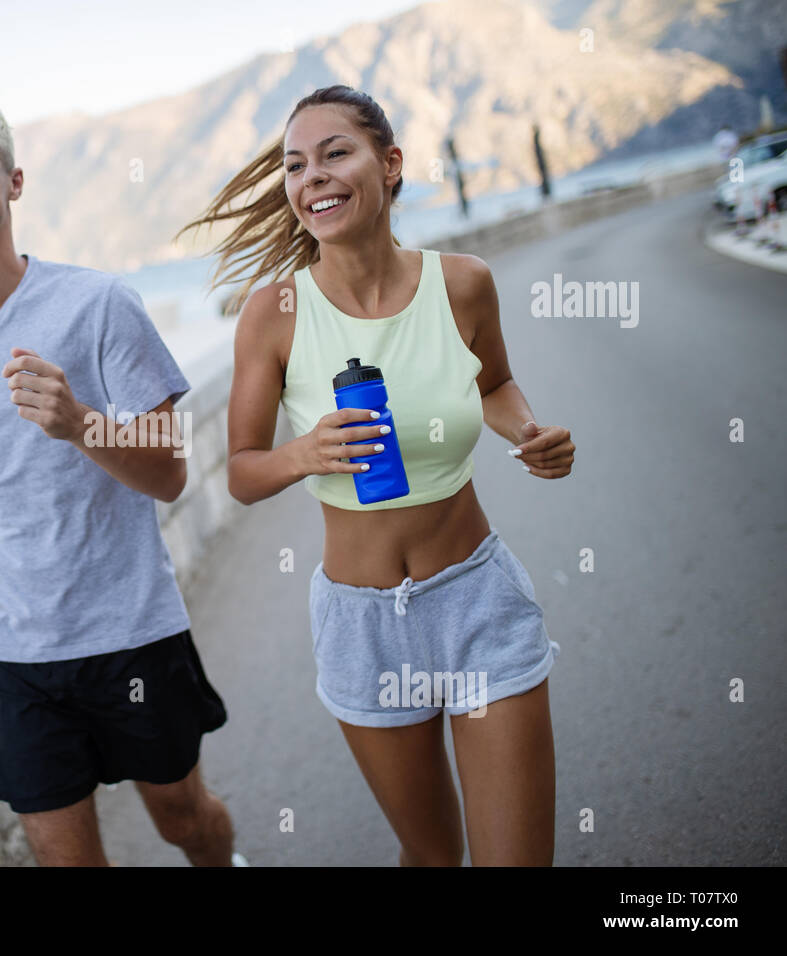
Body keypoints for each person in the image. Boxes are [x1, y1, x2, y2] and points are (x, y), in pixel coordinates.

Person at [176, 85, 574, 865]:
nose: (311, 177)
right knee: (431, 858)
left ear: (389, 166)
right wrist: (306, 453)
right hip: (363, 629)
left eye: (334, 154)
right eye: (295, 165)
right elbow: (245, 474)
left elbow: (492, 384)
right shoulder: (276, 312)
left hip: (476, 601)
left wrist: (527, 431)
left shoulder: (461, 283)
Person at [0, 88, 239, 867]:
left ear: (13, 182)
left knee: (186, 820)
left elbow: (171, 470)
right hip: (9, 654)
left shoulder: (99, 304)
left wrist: (80, 426)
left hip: (130, 631)